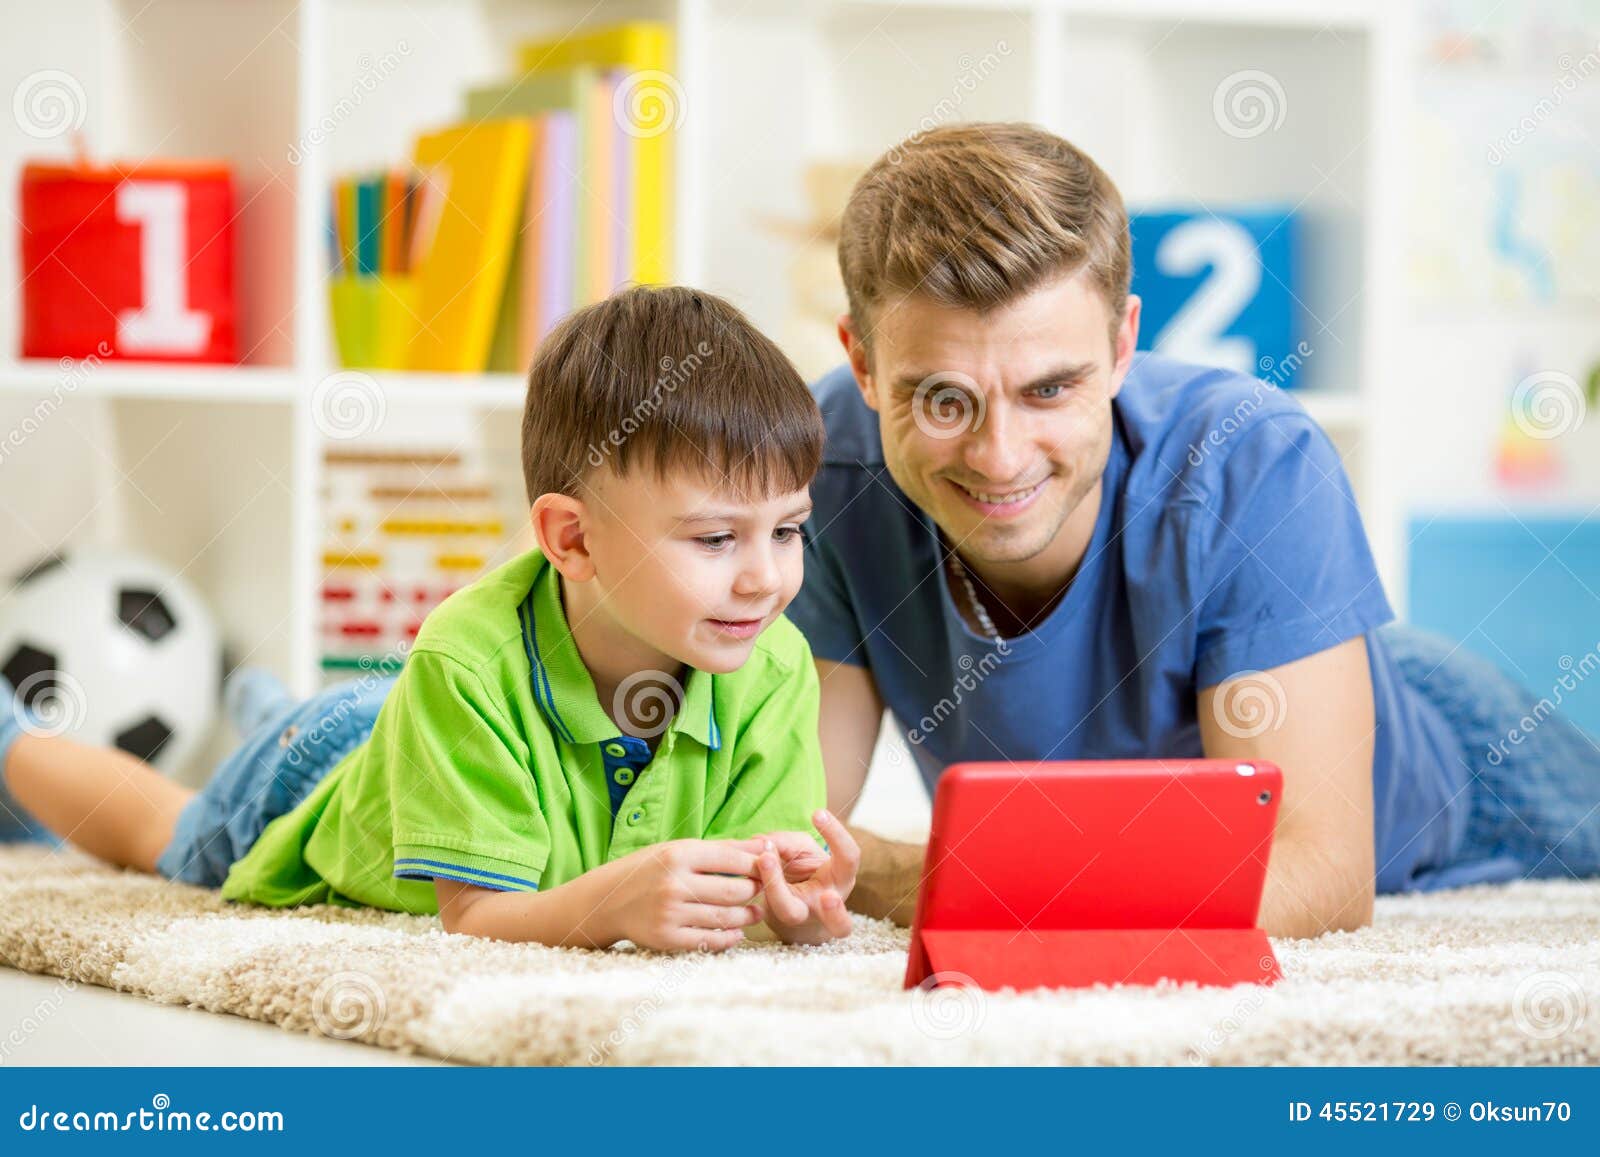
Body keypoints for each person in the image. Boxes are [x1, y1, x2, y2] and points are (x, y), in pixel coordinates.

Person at [787, 122, 1600, 939]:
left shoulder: (1256, 457)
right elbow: (797, 833)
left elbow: (1318, 879)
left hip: (1470, 771)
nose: (999, 458)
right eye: (943, 399)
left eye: (1049, 390)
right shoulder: (831, 468)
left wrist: (901, 870)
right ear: (862, 362)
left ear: (1122, 344)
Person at [0, 285, 858, 953]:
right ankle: (15, 733)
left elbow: (748, 892)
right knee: (168, 834)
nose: (767, 577)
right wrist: (612, 902)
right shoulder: (467, 661)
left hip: (414, 726)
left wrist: (798, 909)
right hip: (329, 769)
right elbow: (477, 918)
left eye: (788, 529)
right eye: (716, 537)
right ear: (572, 537)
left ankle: (263, 702)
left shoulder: (773, 661)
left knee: (318, 714)